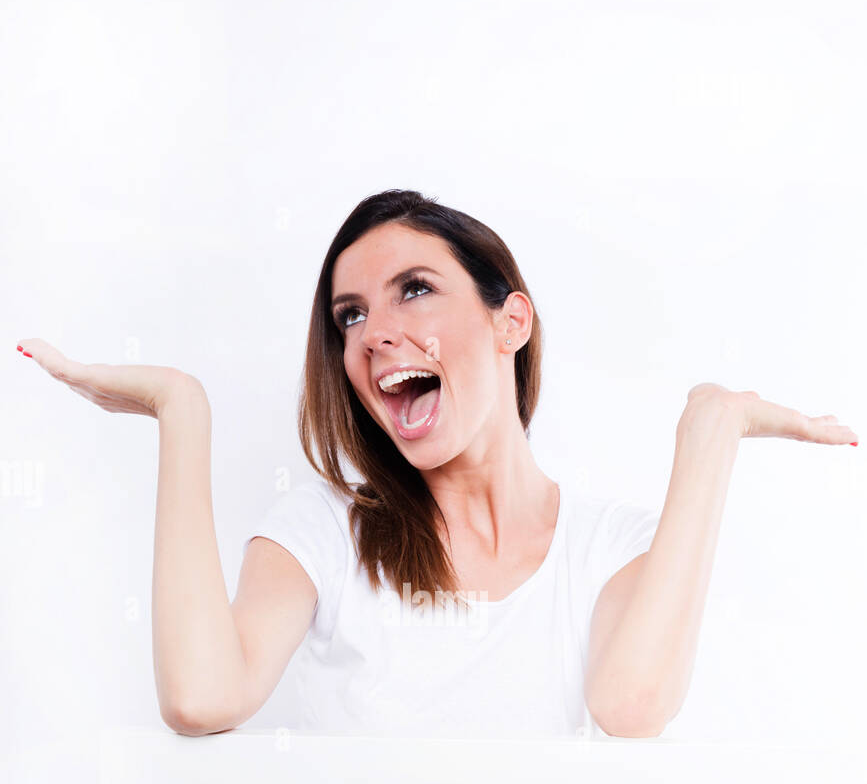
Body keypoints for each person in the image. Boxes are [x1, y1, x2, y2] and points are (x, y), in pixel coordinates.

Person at [16, 189, 857, 740]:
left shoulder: (613, 552)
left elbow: (629, 707)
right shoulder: (319, 534)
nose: (374, 332)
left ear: (510, 323)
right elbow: (202, 697)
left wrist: (708, 432)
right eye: (350, 315)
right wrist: (181, 410)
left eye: (413, 288)